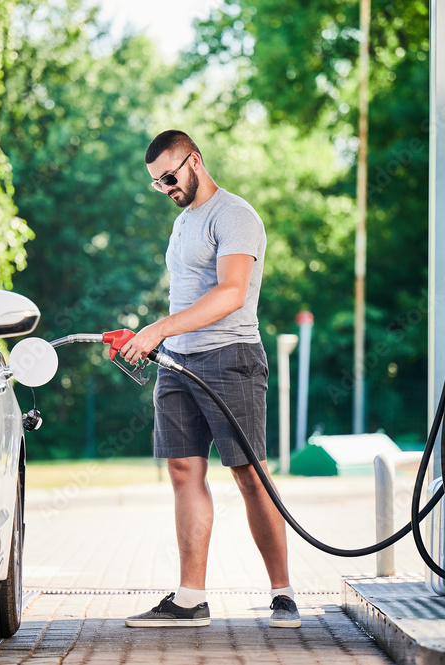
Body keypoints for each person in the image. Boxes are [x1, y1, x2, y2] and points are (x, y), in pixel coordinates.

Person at [121, 130, 300, 629]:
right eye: (158, 184)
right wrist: (160, 338)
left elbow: (231, 294)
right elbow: (188, 298)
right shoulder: (183, 225)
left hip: (230, 359)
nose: (167, 188)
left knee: (249, 474)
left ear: (194, 160)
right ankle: (190, 598)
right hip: (178, 362)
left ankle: (283, 593)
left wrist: (158, 328)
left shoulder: (234, 215)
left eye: (170, 176)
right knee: (183, 472)